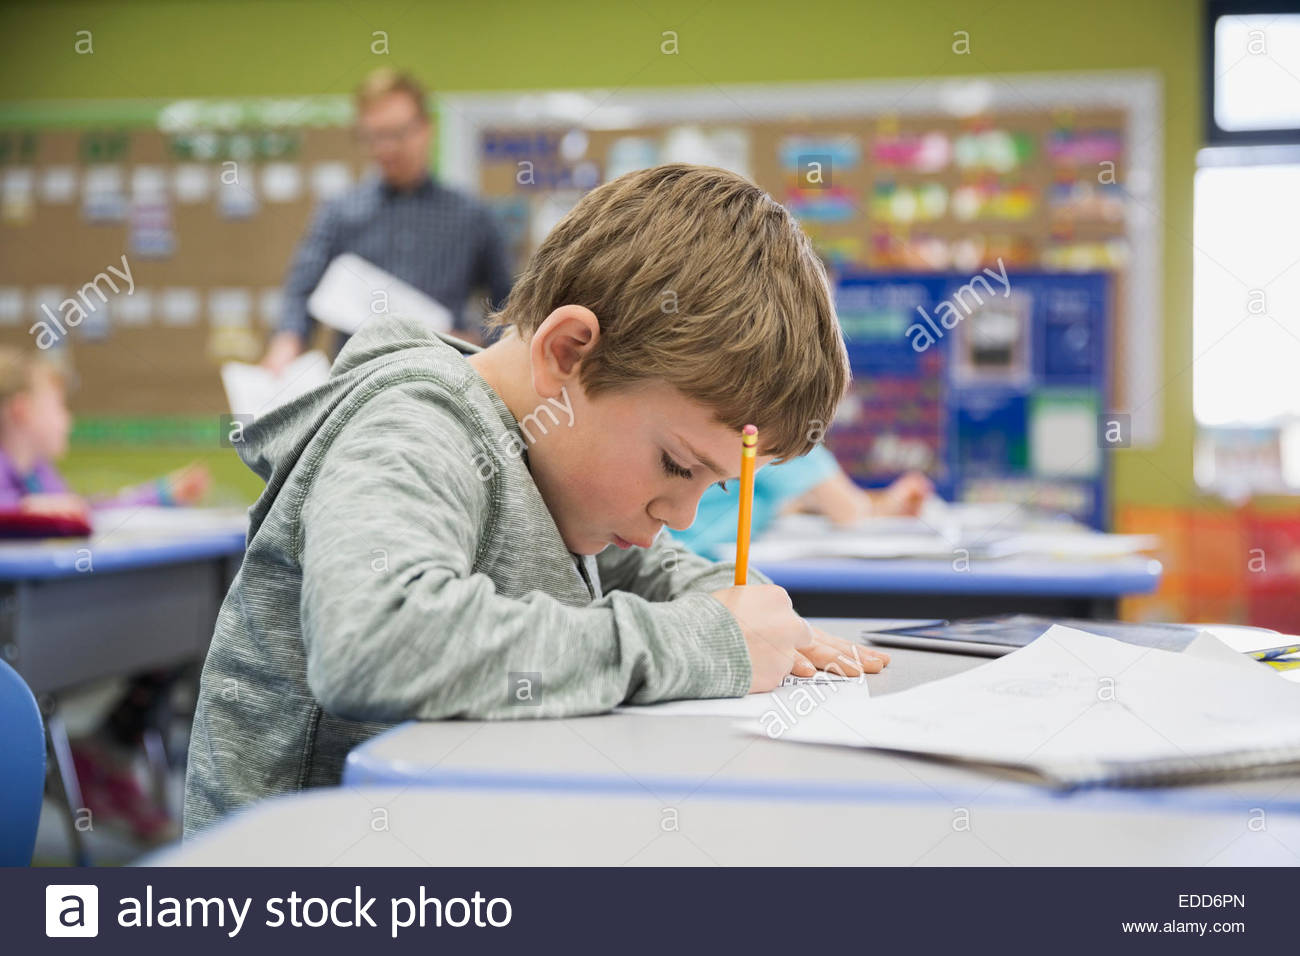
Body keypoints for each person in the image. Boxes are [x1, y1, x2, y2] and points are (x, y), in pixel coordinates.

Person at [184, 164, 890, 836]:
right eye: (677, 465)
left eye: (717, 486)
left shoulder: (555, 464)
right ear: (569, 353)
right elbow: (375, 642)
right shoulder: (413, 424)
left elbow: (662, 574)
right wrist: (709, 642)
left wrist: (758, 620)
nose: (681, 514)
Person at [0, 347, 210, 842]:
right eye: (60, 405)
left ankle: (105, 753)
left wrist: (157, 497)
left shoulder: (38, 476)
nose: (69, 419)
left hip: (52, 627)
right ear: (22, 411)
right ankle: (96, 761)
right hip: (27, 637)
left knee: (178, 623)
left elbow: (87, 511)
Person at [262, 68, 515, 372]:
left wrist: (474, 339)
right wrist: (286, 346)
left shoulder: (472, 215)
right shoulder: (339, 213)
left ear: (426, 128)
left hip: (443, 383)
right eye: (374, 137)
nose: (386, 148)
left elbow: (508, 308)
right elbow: (300, 295)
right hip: (356, 386)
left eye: (397, 133)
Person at [670, 443, 934, 557]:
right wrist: (895, 499)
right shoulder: (787, 437)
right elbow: (849, 512)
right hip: (694, 564)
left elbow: (792, 502)